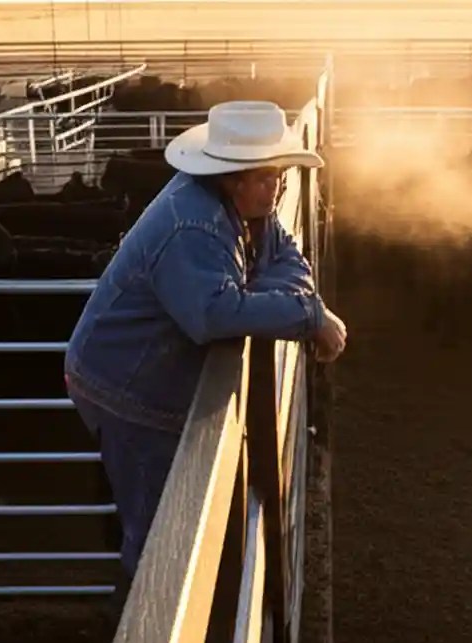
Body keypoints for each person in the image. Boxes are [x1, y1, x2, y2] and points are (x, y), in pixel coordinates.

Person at [64, 100, 347, 585]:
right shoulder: (191, 227)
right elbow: (212, 314)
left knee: (165, 507)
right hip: (127, 390)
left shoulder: (246, 206)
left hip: (149, 375)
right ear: (231, 177)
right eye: (265, 176)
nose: (277, 186)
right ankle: (142, 633)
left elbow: (286, 258)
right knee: (156, 527)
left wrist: (282, 299)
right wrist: (306, 313)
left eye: (278, 173)